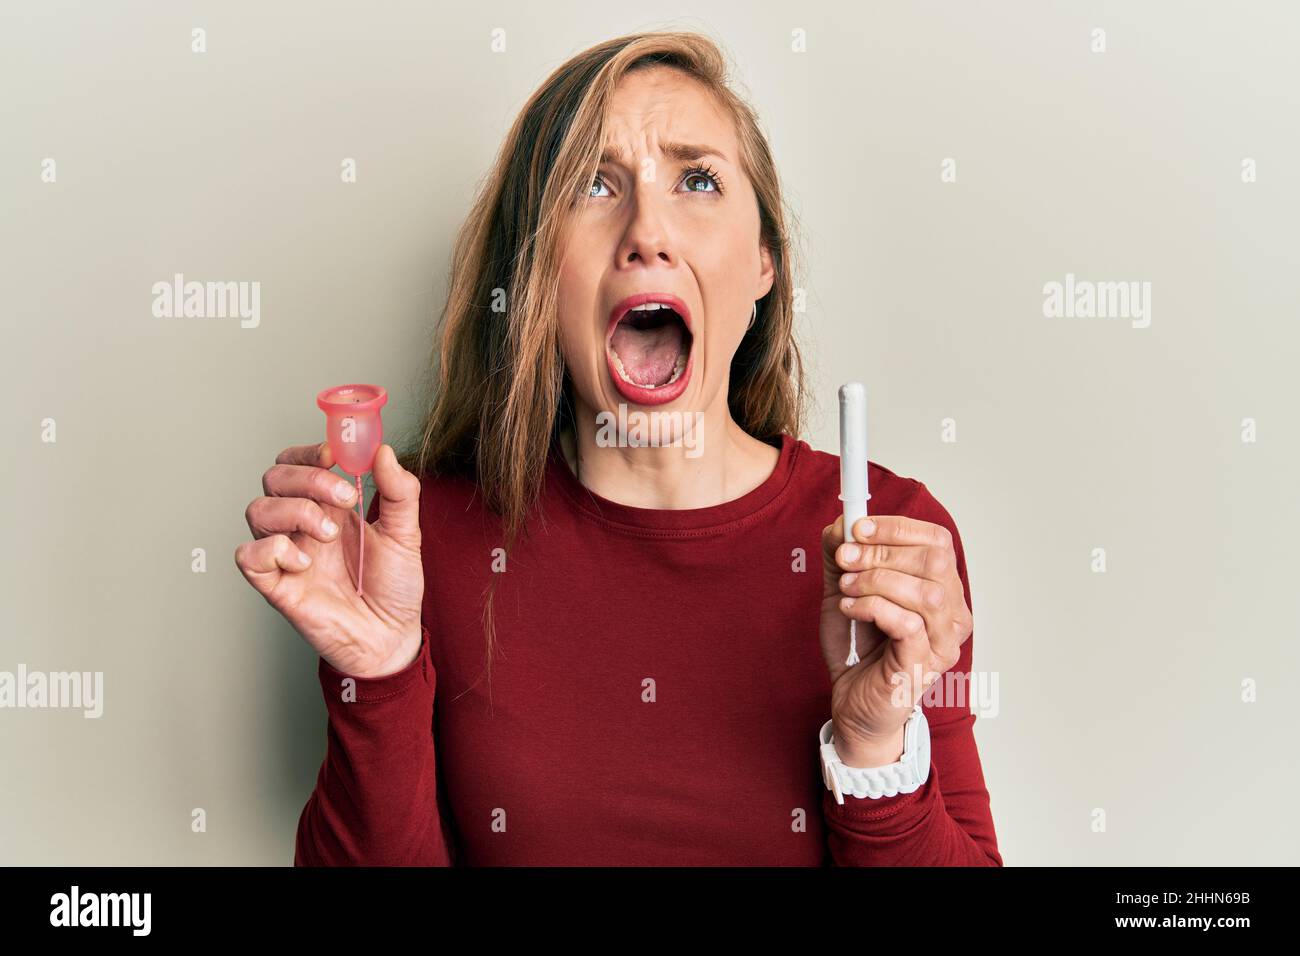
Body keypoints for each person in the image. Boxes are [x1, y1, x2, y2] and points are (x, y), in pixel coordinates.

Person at [236, 31, 1001, 866]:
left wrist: (872, 745)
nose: (647, 233)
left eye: (698, 180)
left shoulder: (888, 538)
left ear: (762, 266)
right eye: (594, 186)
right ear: (534, 274)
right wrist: (375, 676)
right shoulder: (424, 538)